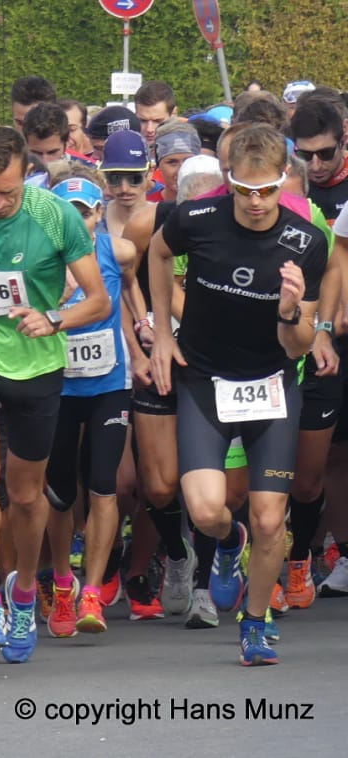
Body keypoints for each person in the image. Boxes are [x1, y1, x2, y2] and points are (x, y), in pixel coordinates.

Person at [150, 124, 328, 666]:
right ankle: (230, 542)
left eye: (267, 190)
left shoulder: (305, 242)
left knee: (273, 519)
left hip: (272, 385)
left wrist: (291, 309)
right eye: (245, 190)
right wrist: (161, 333)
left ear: (284, 183)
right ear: (229, 182)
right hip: (205, 379)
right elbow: (157, 256)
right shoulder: (195, 218)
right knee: (207, 511)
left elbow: (297, 345)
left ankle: (254, 624)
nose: (256, 202)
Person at [0, 126, 109, 664]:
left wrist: (54, 317)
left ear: (23, 176)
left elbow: (98, 301)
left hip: (37, 363)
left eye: (8, 191)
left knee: (27, 495)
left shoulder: (55, 216)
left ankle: (25, 591)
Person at [39, 175, 136, 638]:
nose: (77, 220)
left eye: (85, 211)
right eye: (67, 212)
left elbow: (132, 290)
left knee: (103, 485)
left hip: (108, 385)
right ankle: (62, 583)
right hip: (56, 387)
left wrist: (145, 338)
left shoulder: (118, 252)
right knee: (59, 492)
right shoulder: (39, 260)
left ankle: (92, 591)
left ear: (99, 213)